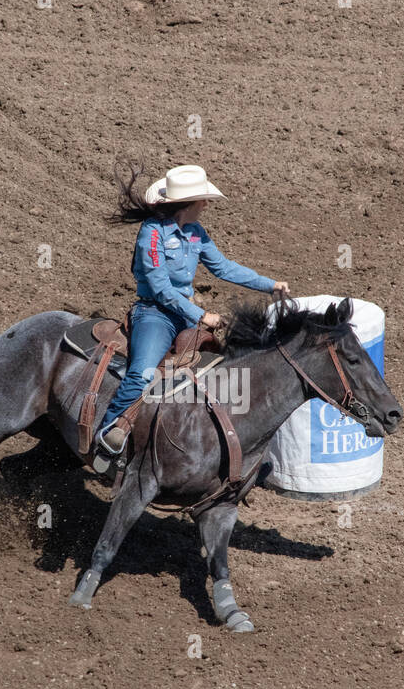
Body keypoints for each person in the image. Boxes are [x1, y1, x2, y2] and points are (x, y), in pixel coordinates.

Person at [95, 163, 289, 465]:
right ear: (187, 203)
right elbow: (160, 289)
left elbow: (223, 267)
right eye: (203, 199)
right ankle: (105, 437)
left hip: (185, 315)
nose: (207, 204)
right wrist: (201, 315)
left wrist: (270, 284)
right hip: (155, 314)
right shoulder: (152, 233)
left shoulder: (196, 233)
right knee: (142, 374)